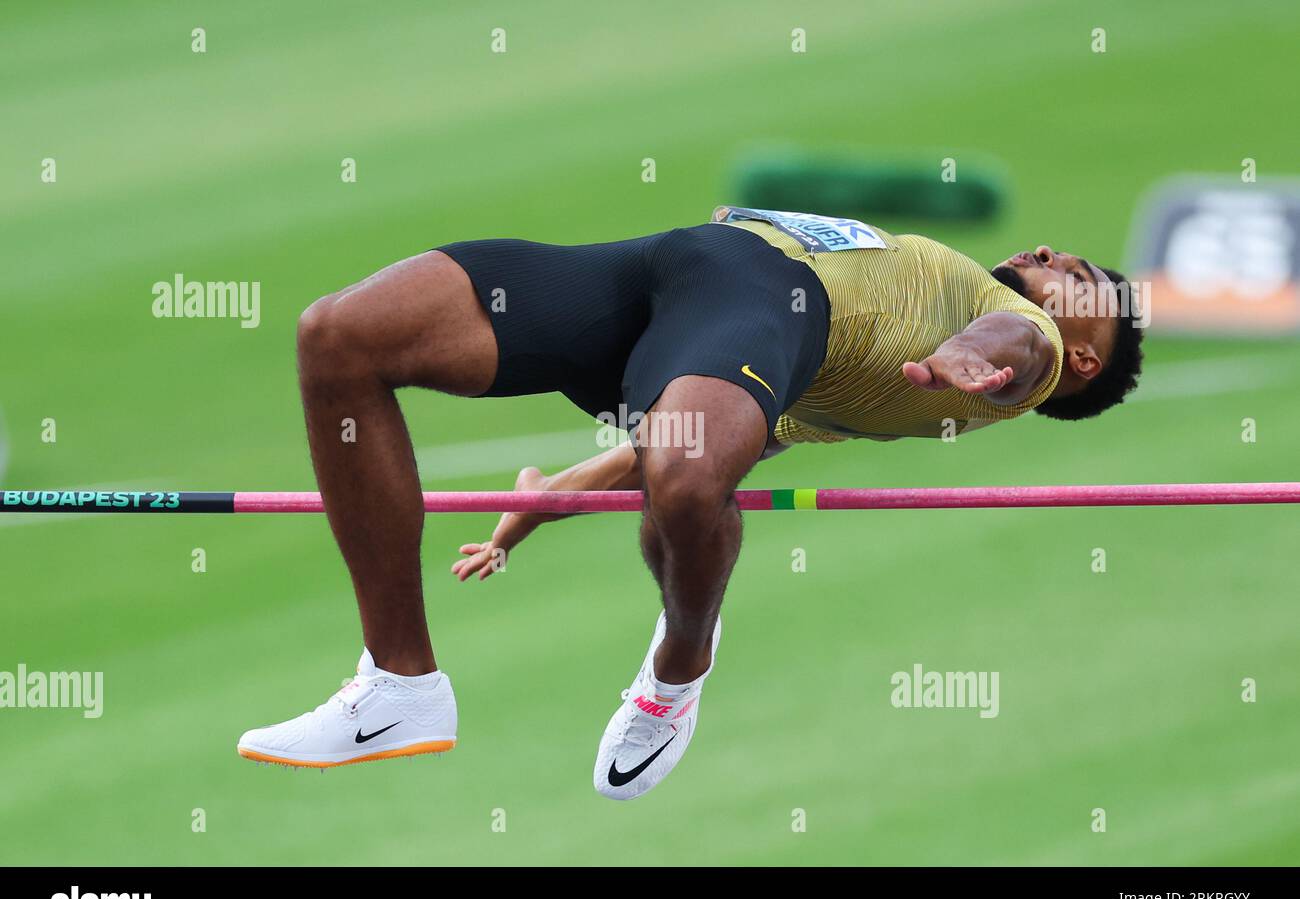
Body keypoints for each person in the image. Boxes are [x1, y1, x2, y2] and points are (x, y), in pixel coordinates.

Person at [236, 207, 1144, 798]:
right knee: (339, 335)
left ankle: (676, 671)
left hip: (769, 303)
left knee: (687, 478)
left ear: (1084, 356)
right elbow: (674, 434)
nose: (1044, 254)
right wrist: (553, 498)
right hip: (665, 280)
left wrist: (971, 361)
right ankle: (400, 684)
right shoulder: (892, 388)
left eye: (1076, 276)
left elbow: (1014, 345)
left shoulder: (1021, 346)